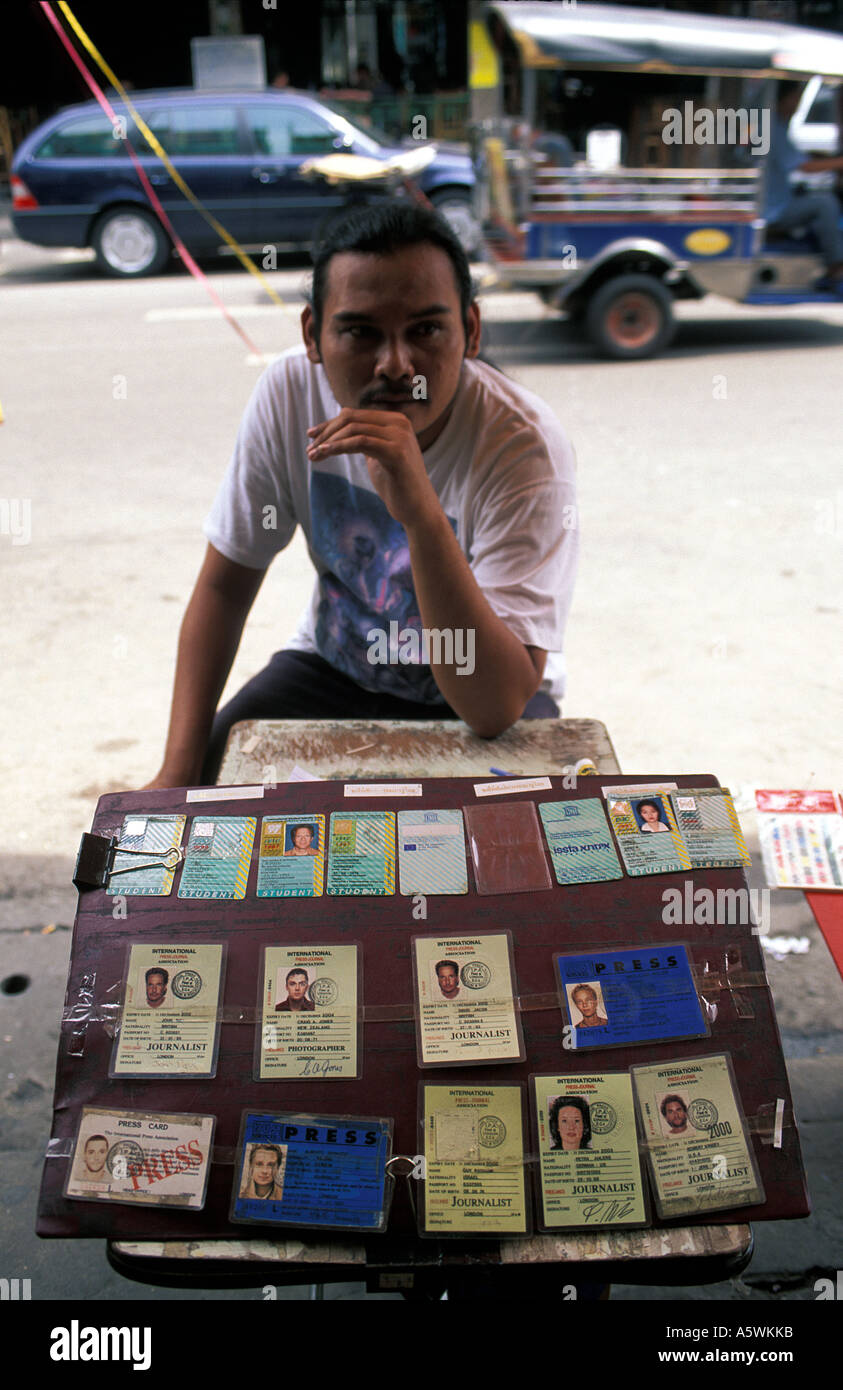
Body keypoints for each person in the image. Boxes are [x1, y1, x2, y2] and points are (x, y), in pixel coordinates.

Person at [144, 203, 578, 789]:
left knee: (499, 858)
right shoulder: (288, 393)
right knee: (217, 777)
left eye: (426, 330)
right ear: (312, 336)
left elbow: (493, 705)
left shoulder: (523, 447)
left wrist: (423, 517)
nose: (396, 366)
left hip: (488, 689)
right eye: (360, 332)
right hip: (335, 666)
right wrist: (177, 769)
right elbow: (225, 585)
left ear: (470, 331)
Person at [764, 81, 843, 289]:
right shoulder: (773, 128)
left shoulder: (776, 125)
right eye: (797, 98)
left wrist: (829, 159)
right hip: (773, 210)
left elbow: (799, 158)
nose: (798, 104)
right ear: (786, 99)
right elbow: (805, 167)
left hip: (777, 201)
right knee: (825, 203)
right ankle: (837, 264)